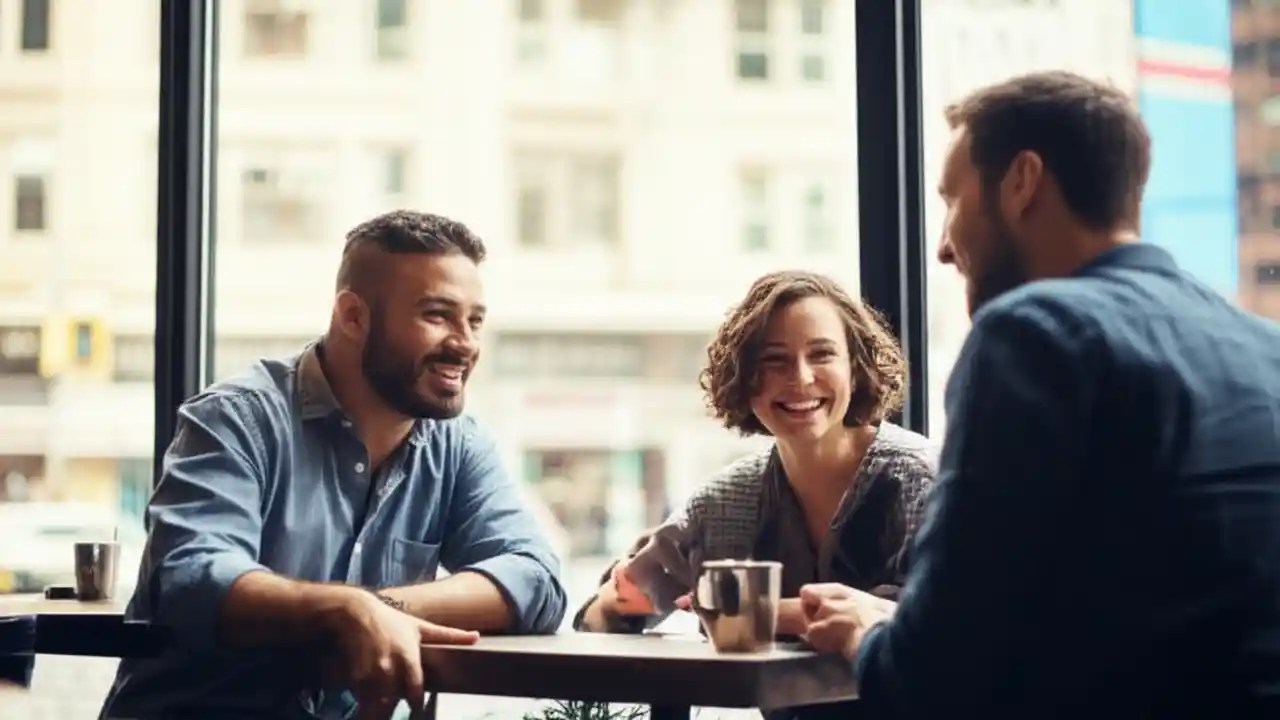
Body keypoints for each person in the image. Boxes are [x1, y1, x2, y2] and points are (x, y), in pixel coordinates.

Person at [800, 71, 1280, 718]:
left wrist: (869, 632)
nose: (943, 246)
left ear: (1023, 182)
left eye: (951, 200)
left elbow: (932, 681)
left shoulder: (1034, 336)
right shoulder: (1262, 344)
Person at [100, 211, 567, 720]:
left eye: (474, 320)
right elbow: (195, 581)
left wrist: (377, 610)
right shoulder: (236, 420)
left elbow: (534, 577)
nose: (466, 343)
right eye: (437, 315)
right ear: (353, 316)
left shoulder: (457, 445)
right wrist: (344, 611)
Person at [574, 271, 936, 654]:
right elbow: (599, 618)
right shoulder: (723, 501)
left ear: (856, 366)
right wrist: (619, 604)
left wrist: (768, 613)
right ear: (745, 378)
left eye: (822, 354)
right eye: (774, 360)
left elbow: (947, 622)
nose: (800, 377)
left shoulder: (919, 479)